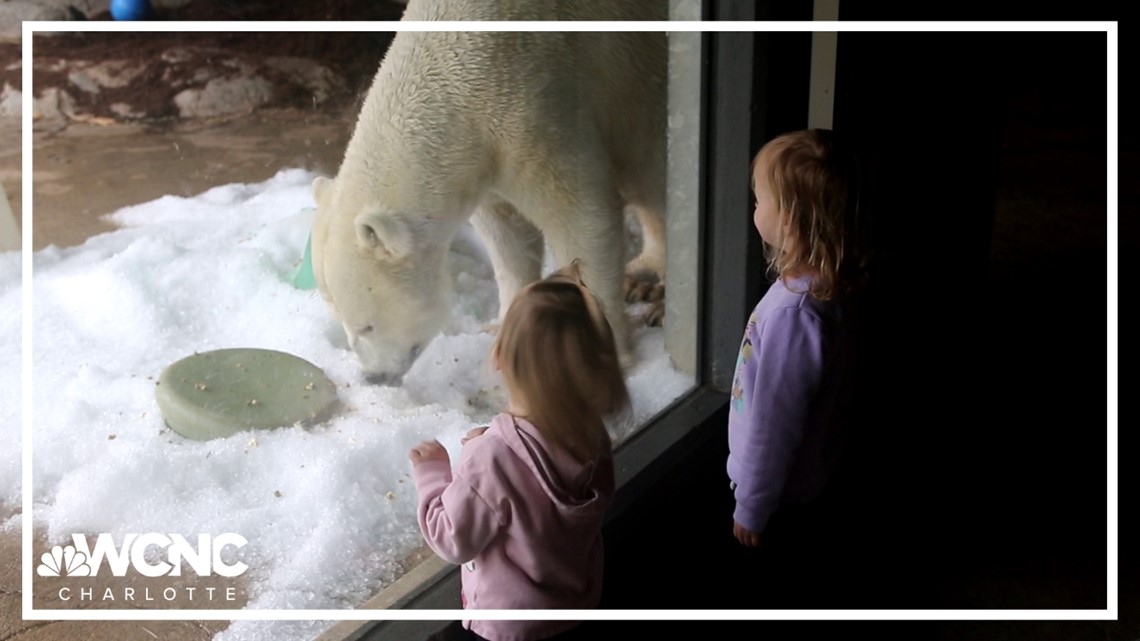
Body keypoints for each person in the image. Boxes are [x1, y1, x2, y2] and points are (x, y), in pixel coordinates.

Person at [410, 259, 630, 641]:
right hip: (573, 608)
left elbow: (452, 539)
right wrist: (487, 446)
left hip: (508, 626)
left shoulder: (492, 459)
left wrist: (433, 476)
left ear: (500, 357)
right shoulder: (593, 438)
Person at [727, 128, 868, 557]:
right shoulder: (829, 282)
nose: (755, 204)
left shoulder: (794, 314)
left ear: (787, 218)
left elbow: (775, 424)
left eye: (760, 198)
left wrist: (751, 506)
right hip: (812, 470)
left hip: (782, 496)